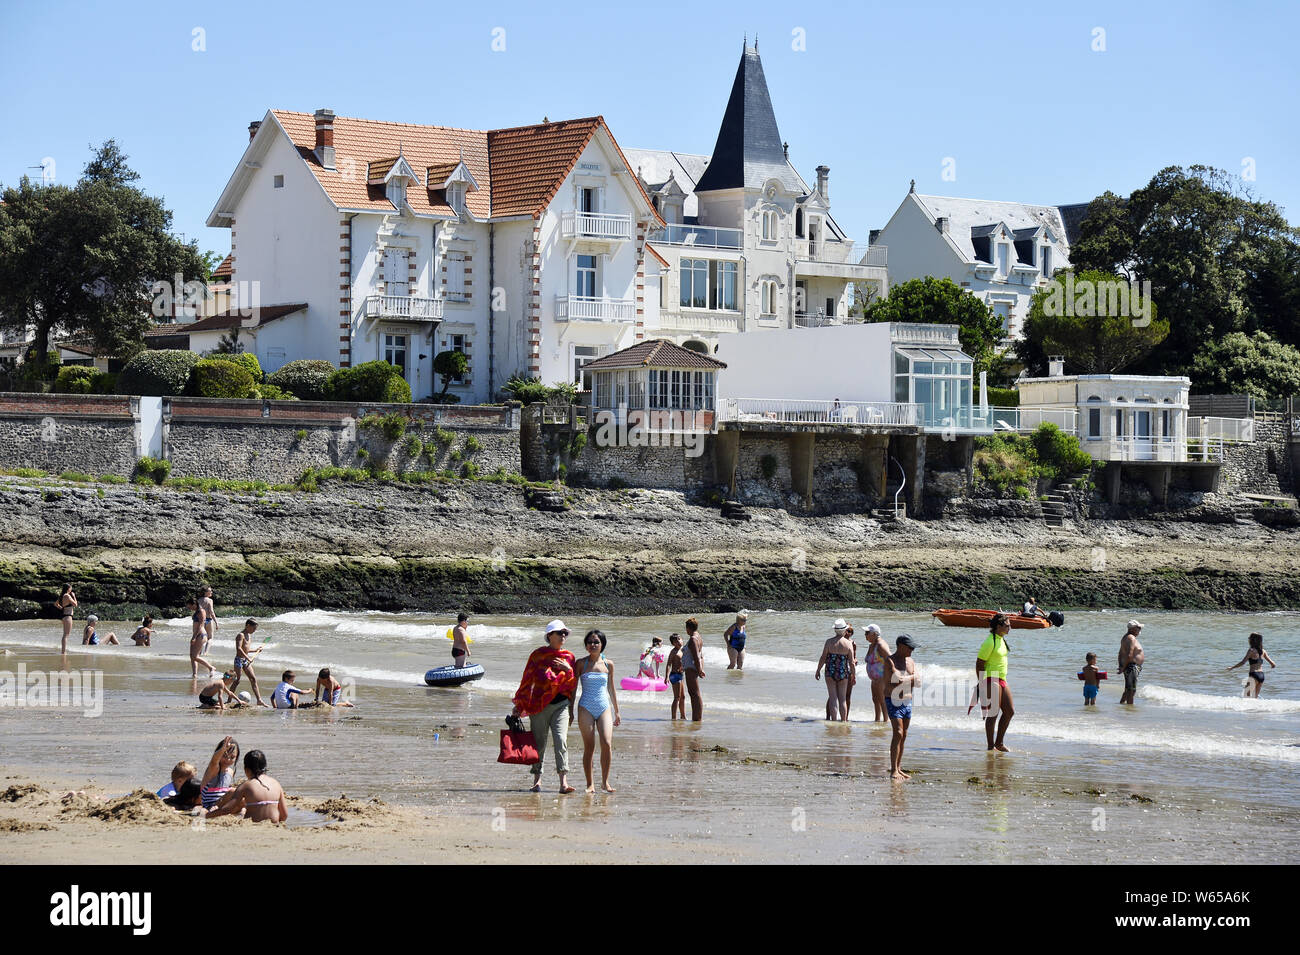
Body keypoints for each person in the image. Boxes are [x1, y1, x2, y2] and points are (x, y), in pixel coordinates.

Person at [510, 620, 577, 794]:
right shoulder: (537, 655)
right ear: (549, 636)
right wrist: (520, 704)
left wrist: (568, 669)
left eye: (565, 633)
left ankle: (563, 782)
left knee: (560, 740)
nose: (563, 636)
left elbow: (572, 685)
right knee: (539, 743)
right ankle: (537, 780)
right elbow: (527, 680)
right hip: (539, 705)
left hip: (561, 705)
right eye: (559, 633)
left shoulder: (569, 657)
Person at [575, 629, 620, 793]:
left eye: (596, 642)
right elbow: (572, 689)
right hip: (585, 706)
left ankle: (605, 782)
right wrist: (571, 710)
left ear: (602, 645)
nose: (593, 645)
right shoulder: (581, 663)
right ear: (586, 645)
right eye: (590, 642)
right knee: (589, 746)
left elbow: (611, 688)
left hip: (603, 707)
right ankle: (590, 784)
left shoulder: (609, 664)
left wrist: (617, 711)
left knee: (607, 743)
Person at [206, 750, 287, 823]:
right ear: (265, 768)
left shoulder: (246, 785)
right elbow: (284, 815)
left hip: (254, 824)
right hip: (273, 824)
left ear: (246, 769)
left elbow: (227, 809)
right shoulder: (276, 784)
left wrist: (206, 816)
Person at [881, 635, 919, 779]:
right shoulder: (890, 661)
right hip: (893, 700)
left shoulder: (911, 661)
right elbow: (898, 680)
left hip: (907, 701)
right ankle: (893, 770)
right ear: (901, 646)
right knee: (898, 732)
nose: (912, 650)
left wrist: (909, 678)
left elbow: (918, 681)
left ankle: (898, 767)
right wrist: (912, 678)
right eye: (910, 647)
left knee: (904, 735)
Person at [977, 614, 1014, 752]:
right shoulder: (990, 642)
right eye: (1007, 625)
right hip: (991, 679)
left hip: (1001, 679)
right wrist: (981, 683)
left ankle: (999, 743)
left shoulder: (1001, 639)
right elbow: (979, 663)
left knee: (1009, 711)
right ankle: (990, 746)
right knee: (993, 713)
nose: (1010, 627)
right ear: (999, 626)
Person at [816, 619, 855, 721]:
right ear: (844, 630)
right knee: (842, 700)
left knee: (833, 698)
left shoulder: (829, 642)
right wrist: (853, 676)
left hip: (830, 671)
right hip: (843, 672)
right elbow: (851, 662)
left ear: (835, 630)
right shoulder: (848, 643)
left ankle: (833, 721)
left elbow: (823, 657)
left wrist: (818, 670)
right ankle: (843, 721)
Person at [229, 619, 268, 707]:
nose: (254, 630)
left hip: (246, 660)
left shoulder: (249, 635)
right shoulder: (240, 635)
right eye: (253, 628)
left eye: (255, 629)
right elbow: (239, 649)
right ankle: (229, 700)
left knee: (253, 679)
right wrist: (248, 658)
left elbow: (246, 649)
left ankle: (259, 700)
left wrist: (255, 650)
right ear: (247, 626)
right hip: (239, 660)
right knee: (237, 681)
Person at [1228, 632, 1277, 698]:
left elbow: (1243, 662)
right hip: (1261, 676)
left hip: (1254, 675)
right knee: (1255, 698)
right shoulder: (1263, 651)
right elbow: (1273, 664)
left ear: (1252, 640)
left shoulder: (1251, 650)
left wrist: (1232, 667)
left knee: (1246, 697)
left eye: (1249, 638)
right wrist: (1272, 666)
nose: (1248, 639)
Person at [200, 736, 239, 811]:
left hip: (224, 804)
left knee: (243, 798)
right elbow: (214, 761)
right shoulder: (214, 769)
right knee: (233, 791)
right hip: (210, 805)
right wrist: (223, 749)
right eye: (224, 756)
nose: (228, 759)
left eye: (232, 757)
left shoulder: (231, 771)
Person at [863, 624, 890, 722]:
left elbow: (891, 659)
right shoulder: (872, 645)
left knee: (882, 700)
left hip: (882, 677)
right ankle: (877, 720)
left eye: (867, 633)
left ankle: (886, 721)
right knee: (875, 699)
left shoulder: (881, 645)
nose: (865, 635)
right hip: (874, 678)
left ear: (874, 634)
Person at [682, 617, 706, 721]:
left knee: (694, 694)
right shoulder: (698, 636)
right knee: (695, 693)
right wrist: (701, 668)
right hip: (693, 667)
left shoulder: (693, 639)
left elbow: (697, 656)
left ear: (688, 628)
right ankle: (696, 717)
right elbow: (701, 656)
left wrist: (699, 669)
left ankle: (697, 718)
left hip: (691, 668)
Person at [1118, 620, 1145, 705]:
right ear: (1133, 629)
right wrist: (1123, 667)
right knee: (1131, 690)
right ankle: (1130, 710)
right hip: (1131, 666)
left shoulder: (1125, 637)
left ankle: (1121, 705)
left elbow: (1120, 653)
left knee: (1128, 689)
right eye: (1138, 628)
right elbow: (1129, 654)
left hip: (1129, 666)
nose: (1140, 630)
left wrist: (1121, 665)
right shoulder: (1131, 638)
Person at [187, 598, 214, 677]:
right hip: (196, 635)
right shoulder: (197, 612)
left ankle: (211, 667)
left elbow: (201, 625)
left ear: (194, 604)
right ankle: (194, 674)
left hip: (200, 635)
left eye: (190, 607)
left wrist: (194, 637)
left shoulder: (202, 611)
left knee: (195, 656)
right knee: (192, 656)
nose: (190, 609)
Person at [665, 633, 686, 720]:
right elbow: (669, 664)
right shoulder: (673, 652)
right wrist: (666, 676)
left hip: (681, 675)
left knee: (683, 697)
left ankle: (683, 716)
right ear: (673, 644)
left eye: (679, 639)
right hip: (674, 675)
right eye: (675, 641)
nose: (678, 642)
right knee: (677, 697)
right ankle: (673, 717)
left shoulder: (683, 650)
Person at [55, 584, 77, 654]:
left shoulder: (62, 595)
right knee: (66, 635)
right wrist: (74, 596)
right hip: (68, 616)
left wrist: (61, 608)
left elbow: (55, 604)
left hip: (64, 615)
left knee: (65, 634)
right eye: (71, 588)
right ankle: (63, 652)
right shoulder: (67, 595)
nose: (71, 590)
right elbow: (75, 604)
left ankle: (63, 651)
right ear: (68, 589)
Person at [199, 586, 218, 654]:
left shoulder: (198, 600)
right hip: (208, 620)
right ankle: (206, 653)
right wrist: (216, 622)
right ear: (205, 592)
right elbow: (211, 612)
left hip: (200, 620)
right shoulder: (210, 600)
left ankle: (199, 652)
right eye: (210, 591)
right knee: (210, 638)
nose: (211, 592)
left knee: (201, 637)